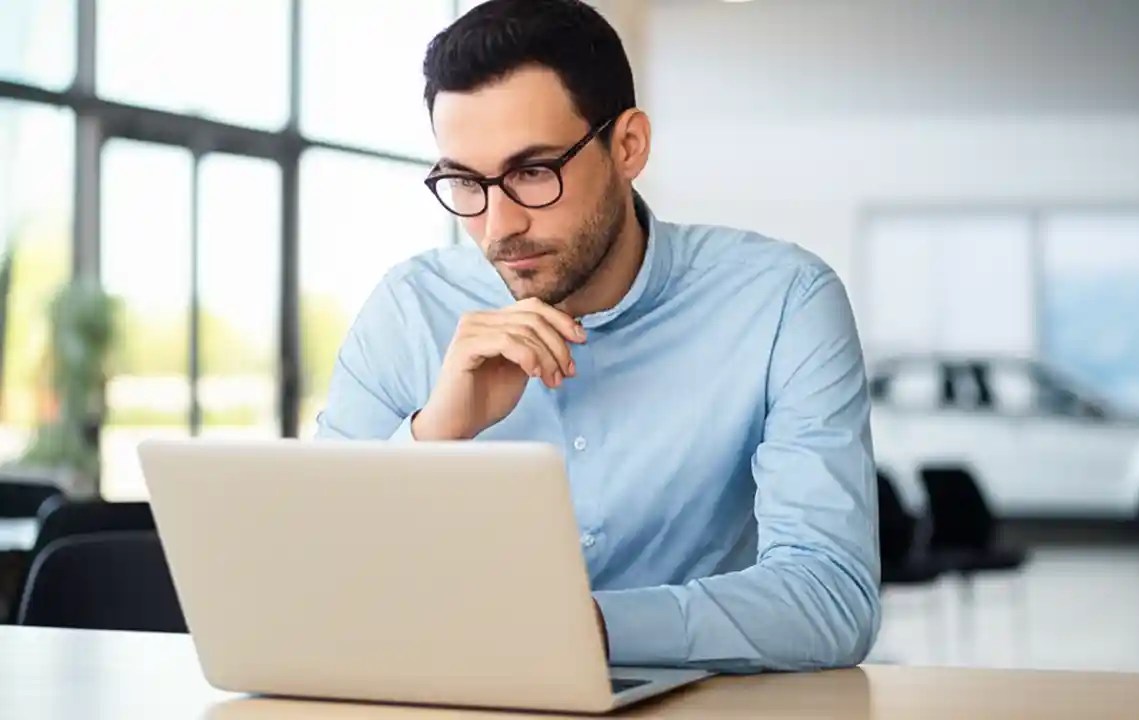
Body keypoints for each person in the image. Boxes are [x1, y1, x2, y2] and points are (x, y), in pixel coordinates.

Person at [316, 0, 880, 672]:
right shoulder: (409, 310)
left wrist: (579, 627)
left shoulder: (783, 301)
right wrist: (434, 434)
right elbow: (321, 577)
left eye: (532, 172)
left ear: (628, 147)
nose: (498, 227)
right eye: (466, 181)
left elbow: (830, 597)